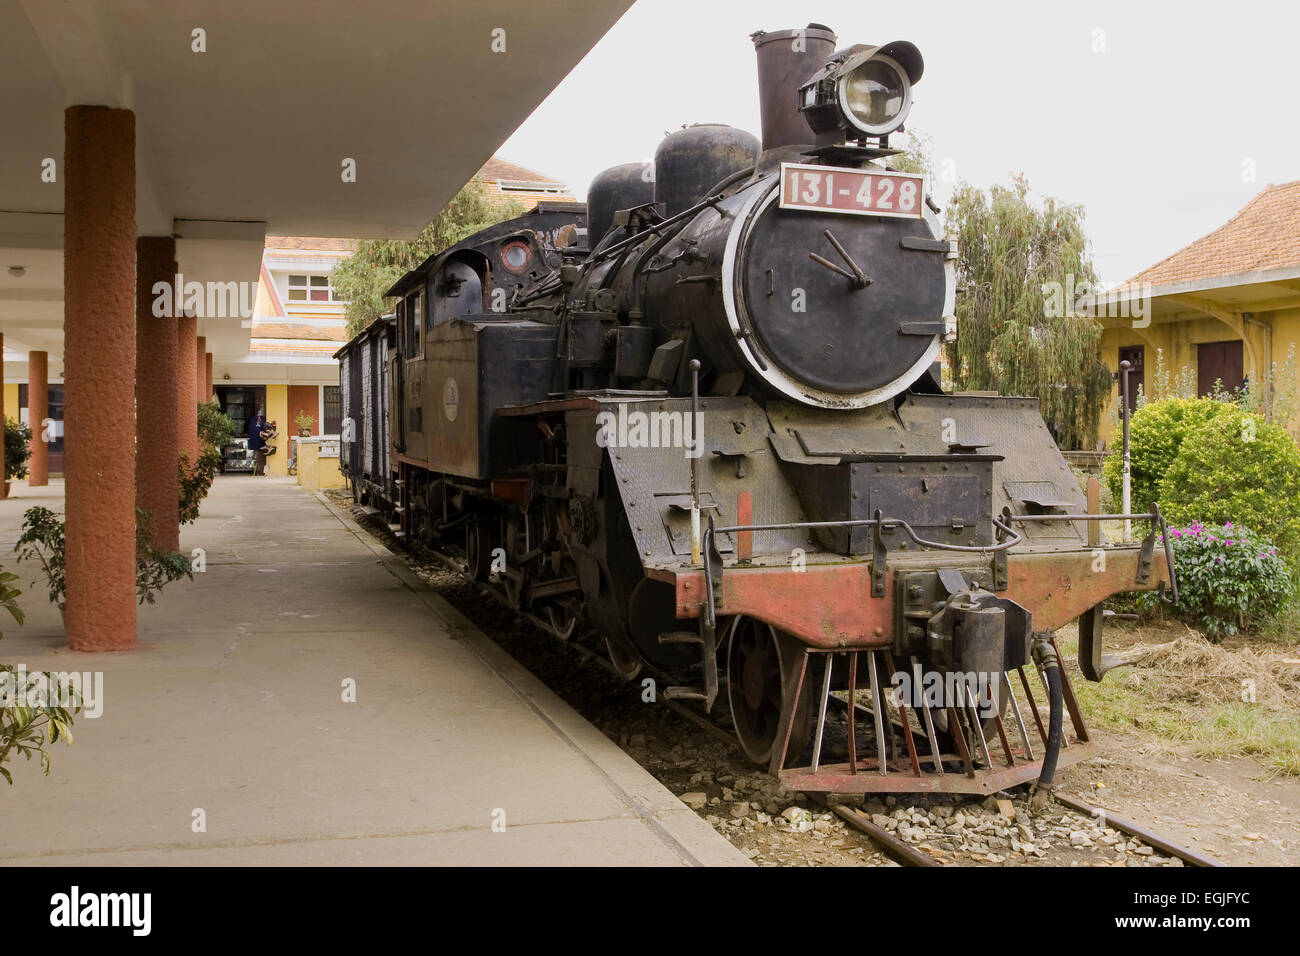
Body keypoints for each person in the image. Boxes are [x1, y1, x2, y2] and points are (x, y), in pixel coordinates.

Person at [248, 408, 267, 476]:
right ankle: (260, 473)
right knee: (259, 460)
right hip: (259, 444)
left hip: (261, 444)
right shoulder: (254, 420)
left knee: (261, 460)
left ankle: (262, 472)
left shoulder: (261, 420)